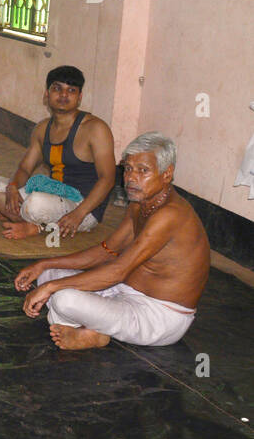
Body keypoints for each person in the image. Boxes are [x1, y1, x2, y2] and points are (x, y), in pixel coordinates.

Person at [15, 133, 210, 350]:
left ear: (167, 174)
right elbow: (107, 250)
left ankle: (91, 332)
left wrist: (52, 288)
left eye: (143, 170)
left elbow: (117, 271)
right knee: (47, 274)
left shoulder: (170, 215)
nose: (131, 178)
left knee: (63, 299)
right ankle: (91, 328)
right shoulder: (140, 203)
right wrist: (45, 264)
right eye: (128, 169)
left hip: (157, 315)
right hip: (121, 290)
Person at [0, 66, 116, 240]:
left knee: (36, 203)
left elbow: (108, 179)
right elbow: (24, 168)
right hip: (53, 196)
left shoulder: (96, 129)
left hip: (83, 209)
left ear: (79, 97)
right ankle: (32, 222)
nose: (63, 95)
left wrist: (78, 214)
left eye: (71, 90)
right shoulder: (42, 128)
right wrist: (13, 187)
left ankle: (35, 226)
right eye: (57, 88)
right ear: (47, 95)